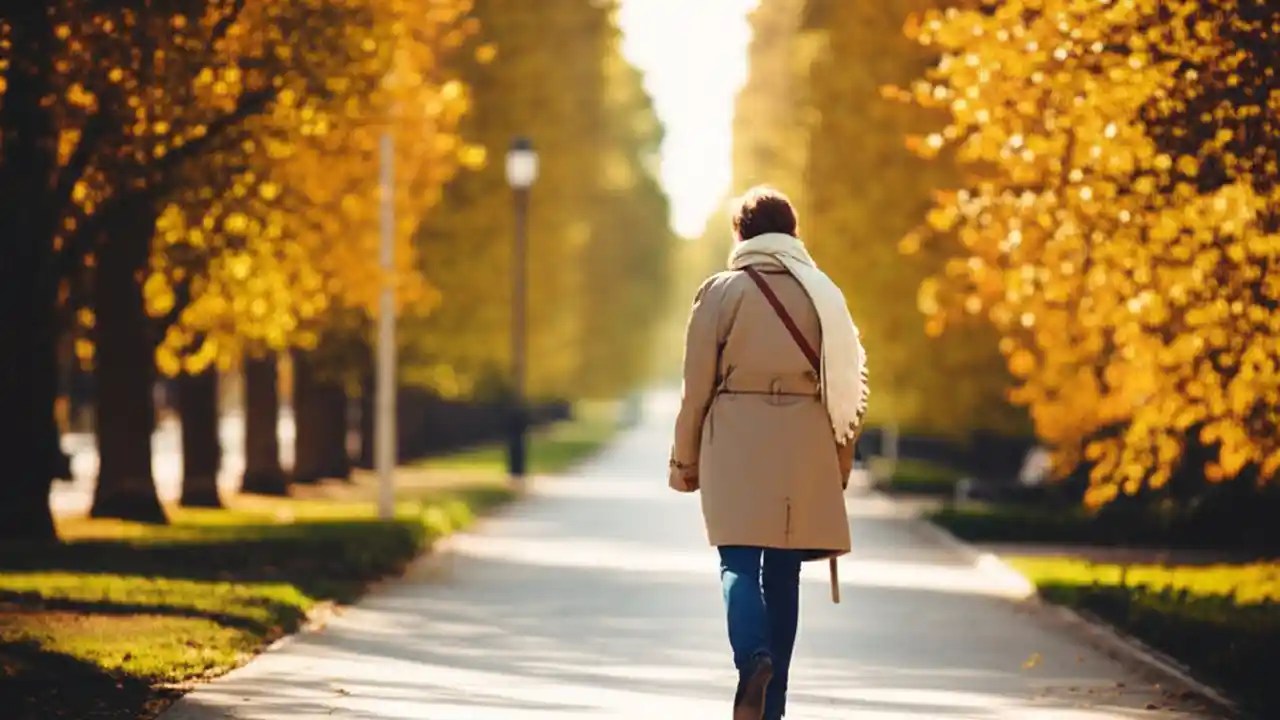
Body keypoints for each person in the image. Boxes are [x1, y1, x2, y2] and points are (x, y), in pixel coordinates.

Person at [668, 186, 869, 720]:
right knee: (783, 574)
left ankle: (752, 657)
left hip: (734, 437)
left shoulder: (720, 292)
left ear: (742, 234)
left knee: (736, 560)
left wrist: (684, 462)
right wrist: (841, 462)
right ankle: (773, 706)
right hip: (804, 441)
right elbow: (847, 387)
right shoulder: (825, 295)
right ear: (793, 232)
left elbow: (696, 389)